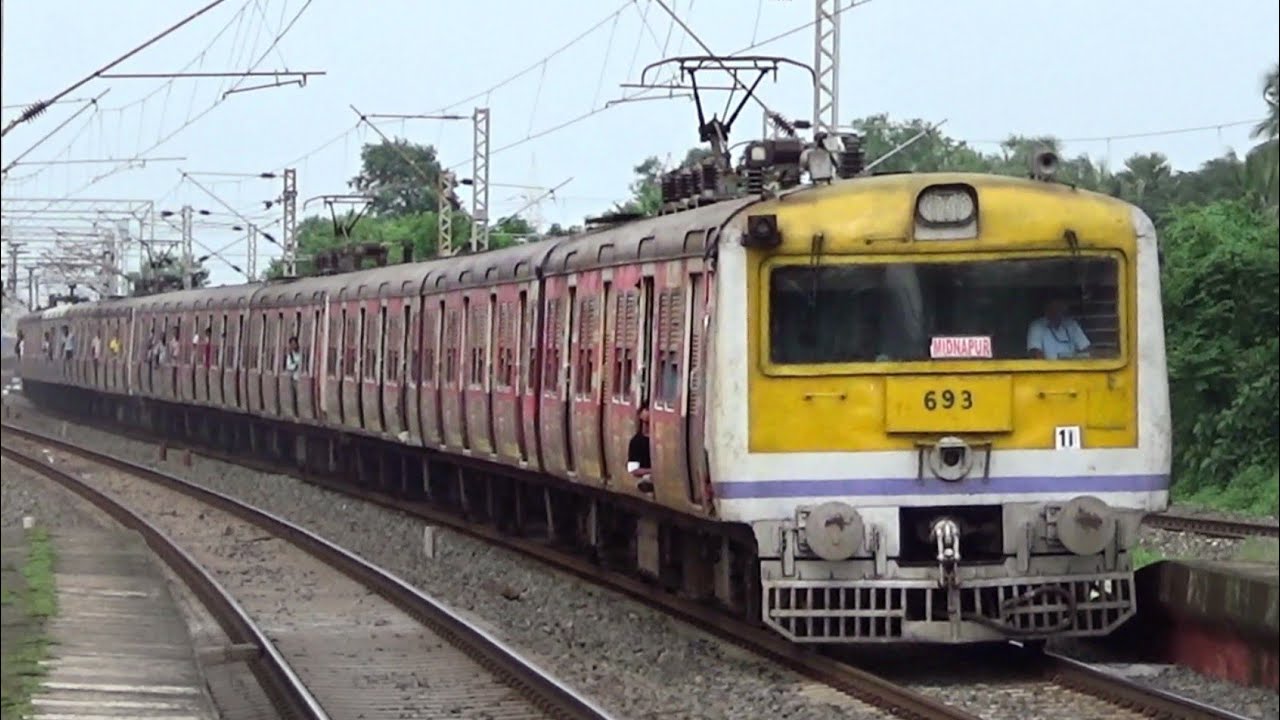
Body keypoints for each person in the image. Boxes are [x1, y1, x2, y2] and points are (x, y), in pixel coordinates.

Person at [1027, 297, 1091, 360]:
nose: (1058, 311)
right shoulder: (1037, 326)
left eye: (1060, 307)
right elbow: (1035, 354)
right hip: (1050, 368)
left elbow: (1087, 349)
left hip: (1073, 367)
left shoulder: (1071, 324)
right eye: (1054, 307)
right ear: (1046, 308)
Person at [627, 403, 654, 494]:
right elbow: (633, 469)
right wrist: (651, 471)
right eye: (645, 423)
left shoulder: (660, 441)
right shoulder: (636, 441)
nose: (646, 426)